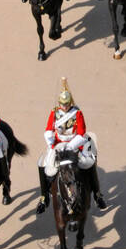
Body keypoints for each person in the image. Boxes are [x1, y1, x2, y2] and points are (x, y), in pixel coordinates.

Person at [36, 77, 107, 214]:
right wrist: (50, 139)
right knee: (43, 164)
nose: (65, 107)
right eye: (62, 104)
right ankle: (44, 197)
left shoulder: (77, 113)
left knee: (89, 163)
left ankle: (97, 194)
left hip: (74, 144)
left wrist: (71, 146)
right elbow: (48, 129)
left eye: (67, 104)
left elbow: (81, 132)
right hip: (58, 144)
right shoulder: (54, 112)